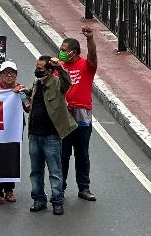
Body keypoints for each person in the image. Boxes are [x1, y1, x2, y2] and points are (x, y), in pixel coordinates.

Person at [28, 55, 76, 215]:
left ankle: (57, 201)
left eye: (40, 68)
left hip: (51, 136)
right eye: (37, 67)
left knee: (55, 171)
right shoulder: (36, 83)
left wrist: (59, 67)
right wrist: (20, 93)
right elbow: (29, 98)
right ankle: (38, 200)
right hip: (34, 135)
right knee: (36, 171)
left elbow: (67, 82)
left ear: (49, 71)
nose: (37, 70)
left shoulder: (57, 83)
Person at [60, 26, 98, 202]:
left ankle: (84, 187)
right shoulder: (58, 67)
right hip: (64, 115)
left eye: (63, 50)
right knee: (63, 153)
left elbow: (92, 57)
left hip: (82, 115)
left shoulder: (85, 65)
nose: (60, 53)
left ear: (73, 53)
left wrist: (90, 39)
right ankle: (59, 186)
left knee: (82, 153)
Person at [0, 61, 28, 206]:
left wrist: (22, 94)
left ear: (16, 75)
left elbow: (28, 107)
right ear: (0, 75)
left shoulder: (20, 89)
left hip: (15, 129)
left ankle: (9, 190)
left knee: (12, 156)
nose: (9, 75)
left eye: (12, 72)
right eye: (6, 72)